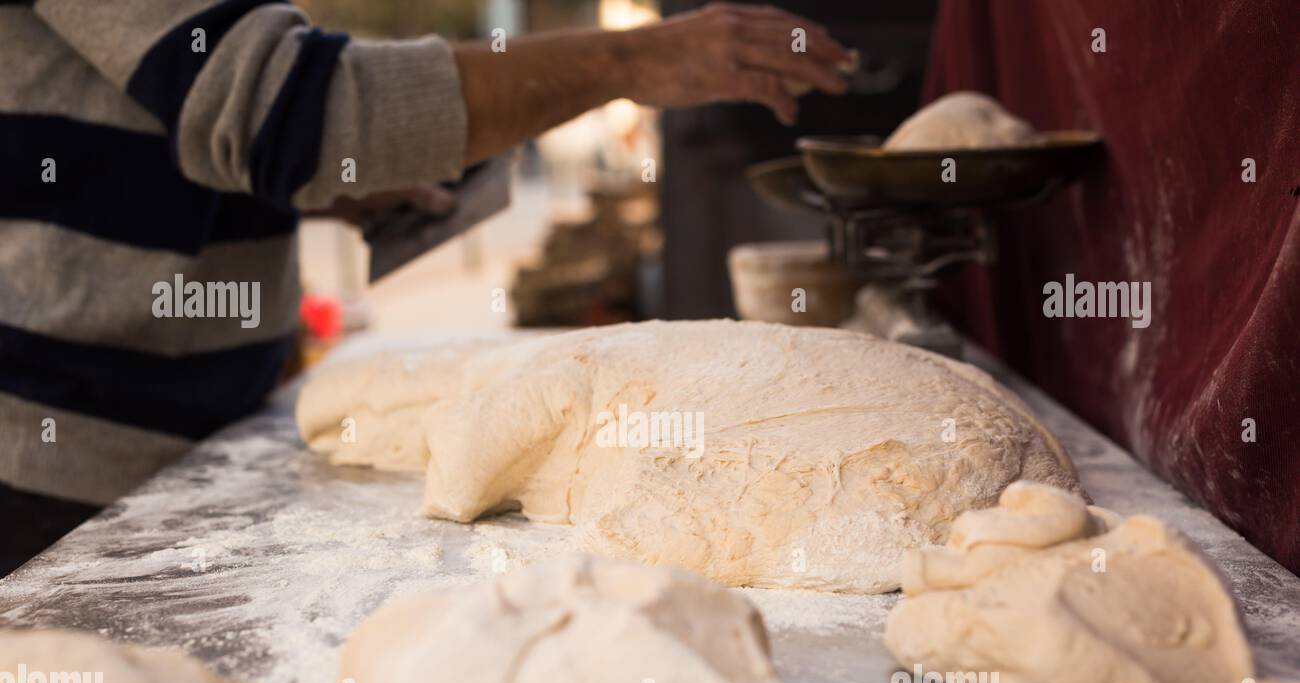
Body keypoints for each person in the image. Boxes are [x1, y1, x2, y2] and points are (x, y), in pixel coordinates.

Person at [0, 1, 853, 576]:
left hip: (204, 431)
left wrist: (330, 180)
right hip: (58, 466)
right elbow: (291, 107)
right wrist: (631, 57)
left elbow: (198, 116)